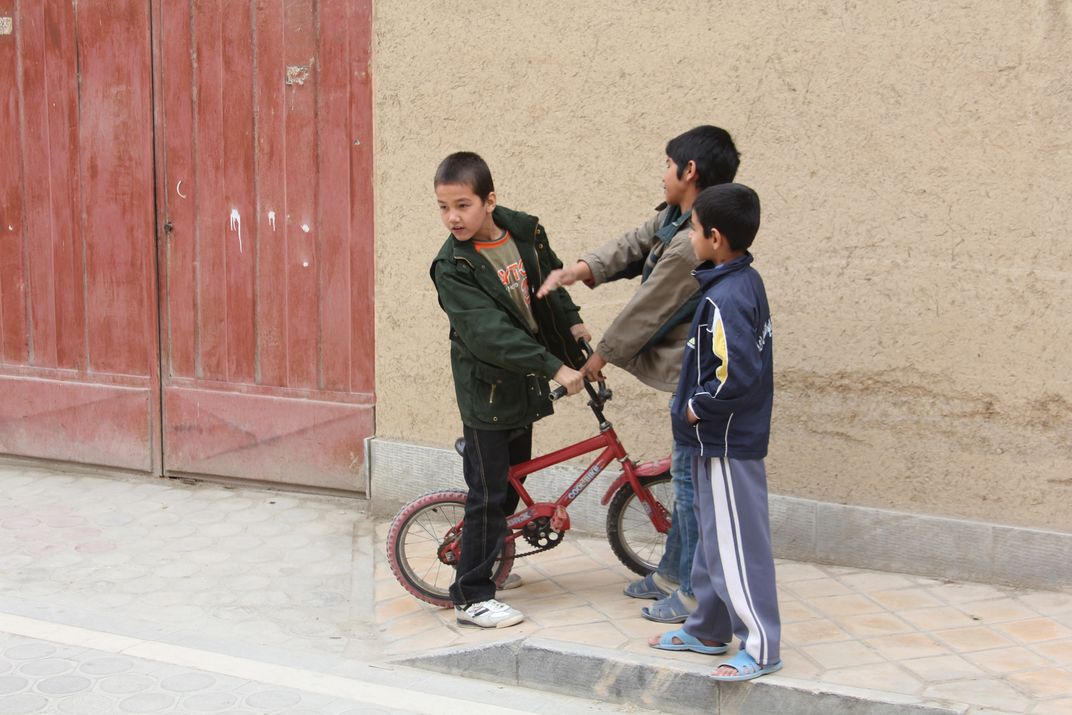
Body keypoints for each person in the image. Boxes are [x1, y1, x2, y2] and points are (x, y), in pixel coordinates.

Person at [537, 126, 740, 623]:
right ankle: (671, 574)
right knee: (686, 482)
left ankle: (692, 595)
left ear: (689, 171)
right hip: (689, 377)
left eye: (667, 164)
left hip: (697, 378)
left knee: (689, 488)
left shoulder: (693, 242)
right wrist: (579, 269)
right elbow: (633, 243)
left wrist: (598, 359)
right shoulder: (679, 217)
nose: (662, 173)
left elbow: (648, 309)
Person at [430, 152, 588, 629]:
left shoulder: (522, 231)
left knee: (511, 487)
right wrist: (554, 367)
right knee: (488, 495)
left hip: (521, 383)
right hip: (487, 393)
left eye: (462, 205)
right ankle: (471, 595)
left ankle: (490, 563)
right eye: (443, 207)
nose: (452, 218)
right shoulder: (452, 266)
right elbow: (489, 334)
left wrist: (573, 323)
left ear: (490, 201)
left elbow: (550, 282)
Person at [648, 182, 782, 681]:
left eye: (696, 229)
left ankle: (761, 647)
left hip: (726, 441)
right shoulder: (737, 281)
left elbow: (736, 375)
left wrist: (694, 408)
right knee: (711, 541)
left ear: (716, 238)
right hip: (712, 441)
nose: (691, 236)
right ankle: (707, 629)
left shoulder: (728, 296)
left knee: (739, 547)